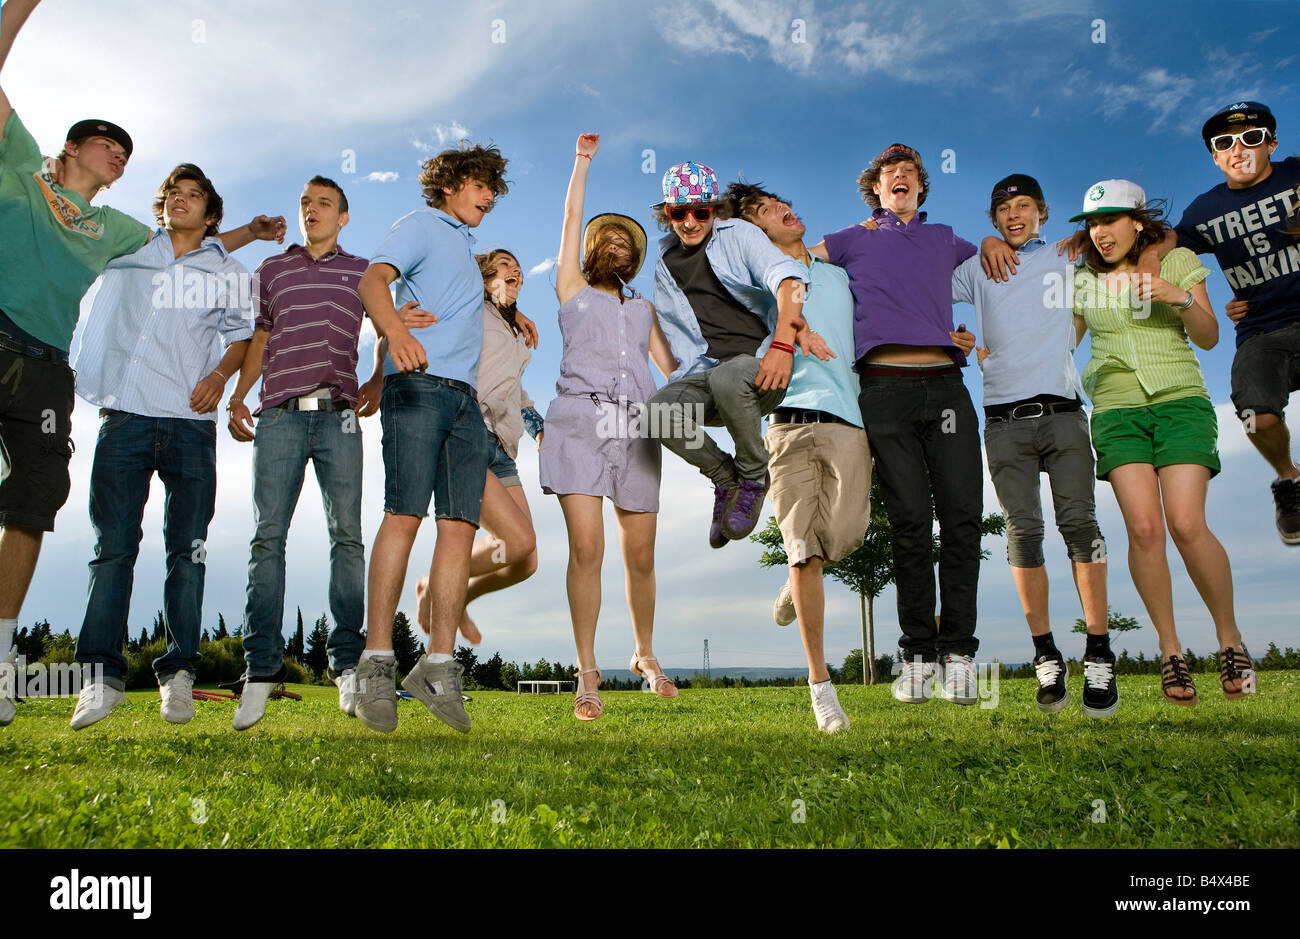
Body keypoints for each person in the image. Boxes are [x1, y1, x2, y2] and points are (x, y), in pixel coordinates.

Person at [69, 164, 254, 728]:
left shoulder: (228, 271)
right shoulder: (130, 251)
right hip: (123, 417)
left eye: (193, 195)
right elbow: (76, 237)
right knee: (113, 548)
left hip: (188, 424)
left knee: (187, 552)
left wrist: (221, 377)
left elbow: (243, 336)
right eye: (173, 193)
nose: (180, 201)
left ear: (211, 212)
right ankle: (101, 679)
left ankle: (179, 675)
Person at [1069, 178, 1256, 706]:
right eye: (1092, 223)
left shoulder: (1176, 264)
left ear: (1137, 223)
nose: (1100, 232)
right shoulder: (1080, 281)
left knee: (1186, 522)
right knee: (1145, 529)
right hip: (1115, 409)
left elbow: (1209, 335)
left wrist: (1178, 298)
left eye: (1110, 221)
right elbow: (1062, 341)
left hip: (1180, 401)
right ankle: (1171, 650)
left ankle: (1229, 639)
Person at [811, 143, 983, 706]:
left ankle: (958, 653)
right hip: (882, 390)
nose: (901, 178)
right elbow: (793, 264)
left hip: (947, 387)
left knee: (961, 516)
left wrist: (994, 244)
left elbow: (996, 261)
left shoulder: (946, 240)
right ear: (877, 191)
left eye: (909, 173)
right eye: (890, 175)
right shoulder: (850, 239)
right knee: (910, 520)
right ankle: (916, 657)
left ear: (921, 188)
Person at [351, 142, 509, 734]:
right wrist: (392, 330)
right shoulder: (421, 224)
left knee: (459, 530)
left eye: (492, 188)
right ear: (449, 185)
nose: (489, 196)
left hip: (465, 401)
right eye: (479, 185)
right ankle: (375, 663)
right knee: (404, 516)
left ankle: (439, 666)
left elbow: (449, 304)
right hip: (418, 387)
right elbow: (373, 280)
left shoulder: (468, 250)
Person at [952, 174, 1115, 716]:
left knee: (1080, 526)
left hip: (1065, 414)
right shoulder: (978, 267)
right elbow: (921, 281)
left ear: (1042, 212)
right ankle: (1046, 654)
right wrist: (981, 247)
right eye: (1003, 210)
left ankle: (1098, 652)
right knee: (1023, 532)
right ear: (994, 219)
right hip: (1002, 420)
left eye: (1023, 206)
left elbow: (1148, 238)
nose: (1013, 215)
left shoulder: (1068, 255)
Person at [225, 176, 370, 730]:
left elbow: (387, 326)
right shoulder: (272, 271)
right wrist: (238, 395)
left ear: (344, 216)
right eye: (305, 203)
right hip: (279, 418)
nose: (312, 210)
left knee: (348, 539)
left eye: (324, 204)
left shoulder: (361, 272)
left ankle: (348, 666)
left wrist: (378, 378)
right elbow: (260, 339)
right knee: (267, 539)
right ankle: (260, 671)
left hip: (341, 418)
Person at [542, 133, 677, 720]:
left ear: (635, 260)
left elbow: (673, 369)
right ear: (595, 248)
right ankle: (588, 673)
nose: (619, 245)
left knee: (641, 556)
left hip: (639, 429)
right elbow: (572, 214)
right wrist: (581, 161)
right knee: (587, 547)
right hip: (578, 422)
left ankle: (644, 655)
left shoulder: (644, 307)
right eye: (610, 239)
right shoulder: (570, 289)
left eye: (629, 243)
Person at [726, 180, 867, 733]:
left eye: (780, 203)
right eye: (763, 212)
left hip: (849, 419)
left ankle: (795, 582)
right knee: (803, 547)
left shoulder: (839, 276)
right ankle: (820, 685)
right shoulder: (758, 287)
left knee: (847, 535)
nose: (781, 210)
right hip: (786, 424)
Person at [647, 161, 829, 550]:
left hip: (761, 369)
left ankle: (753, 475)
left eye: (701, 211)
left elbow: (791, 281)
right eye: (680, 213)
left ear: (713, 208)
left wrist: (783, 345)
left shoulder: (740, 235)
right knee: (658, 411)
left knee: (728, 377)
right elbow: (673, 333)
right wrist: (680, 388)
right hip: (707, 373)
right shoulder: (664, 262)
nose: (691, 222)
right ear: (668, 213)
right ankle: (725, 479)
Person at [383, 249, 542, 648]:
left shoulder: (516, 331)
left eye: (518, 268)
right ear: (484, 275)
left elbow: (516, 391)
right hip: (469, 432)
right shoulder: (469, 308)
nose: (515, 270)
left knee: (527, 560)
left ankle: (455, 592)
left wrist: (538, 428)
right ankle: (439, 589)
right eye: (504, 265)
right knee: (518, 541)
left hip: (503, 446)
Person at [1172, 102, 1300, 545]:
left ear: (1272, 143)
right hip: (1263, 330)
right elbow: (1163, 246)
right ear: (1214, 155)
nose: (1238, 149)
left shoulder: (1296, 176)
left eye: (1251, 138)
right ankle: (1289, 480)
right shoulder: (1204, 211)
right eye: (1224, 143)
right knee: (1255, 417)